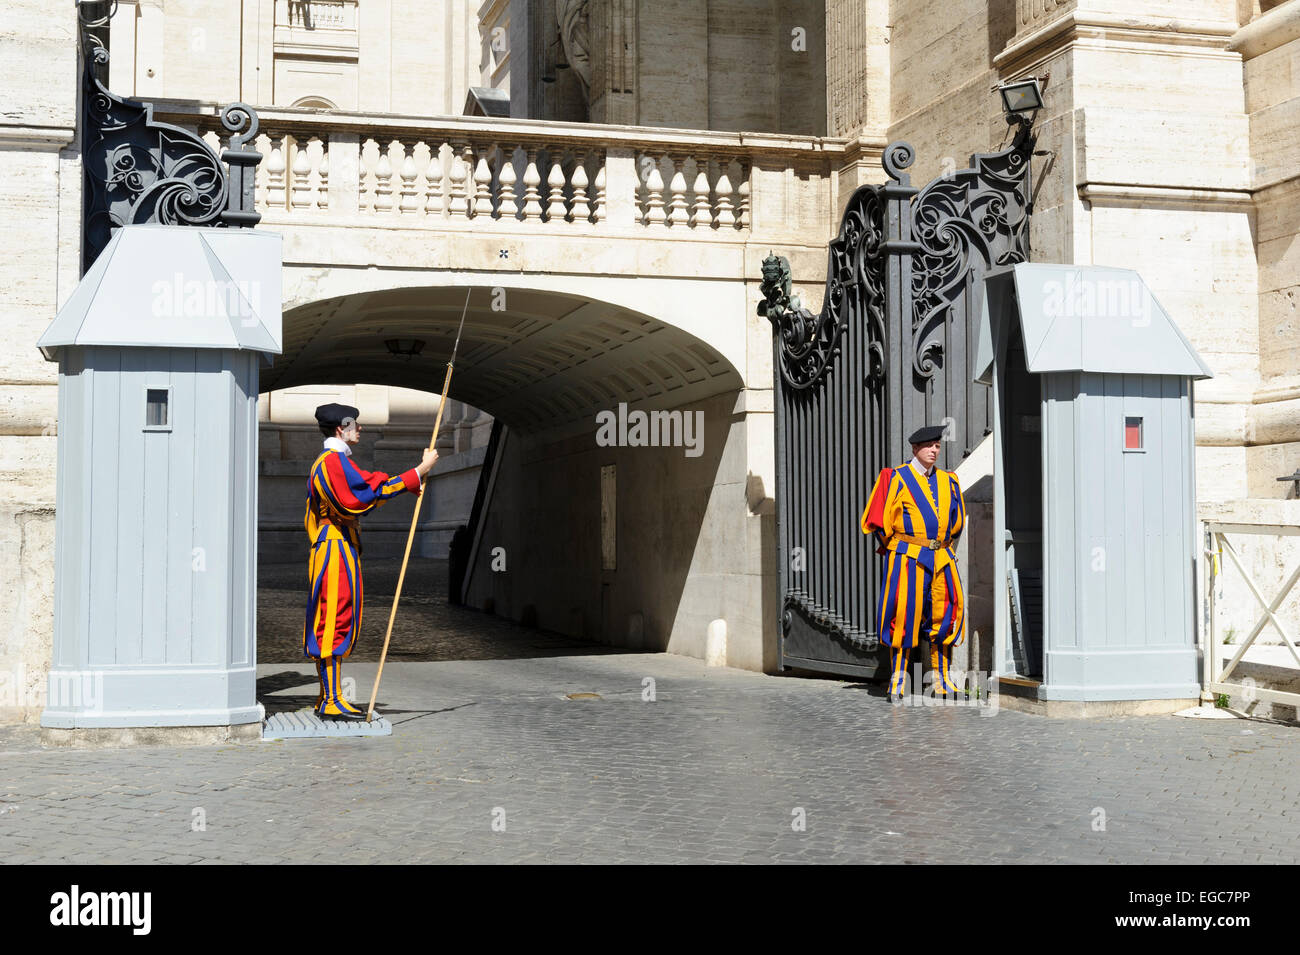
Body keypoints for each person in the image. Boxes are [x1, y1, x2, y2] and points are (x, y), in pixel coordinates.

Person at [304, 403, 439, 720]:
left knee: (338, 616)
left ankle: (330, 697)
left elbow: (369, 486)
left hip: (341, 546)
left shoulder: (337, 462)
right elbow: (361, 496)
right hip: (335, 548)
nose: (359, 428)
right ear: (341, 428)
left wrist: (409, 482)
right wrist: (418, 471)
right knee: (333, 620)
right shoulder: (331, 463)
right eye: (355, 424)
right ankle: (331, 700)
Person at [860, 425, 966, 701]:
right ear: (915, 448)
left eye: (938, 446)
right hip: (908, 557)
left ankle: (942, 681)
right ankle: (898, 679)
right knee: (903, 616)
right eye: (929, 445)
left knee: (944, 616)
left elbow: (956, 523)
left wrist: (943, 548)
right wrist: (898, 550)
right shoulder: (895, 477)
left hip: (942, 557)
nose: (934, 450)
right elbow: (877, 522)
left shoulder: (949, 480)